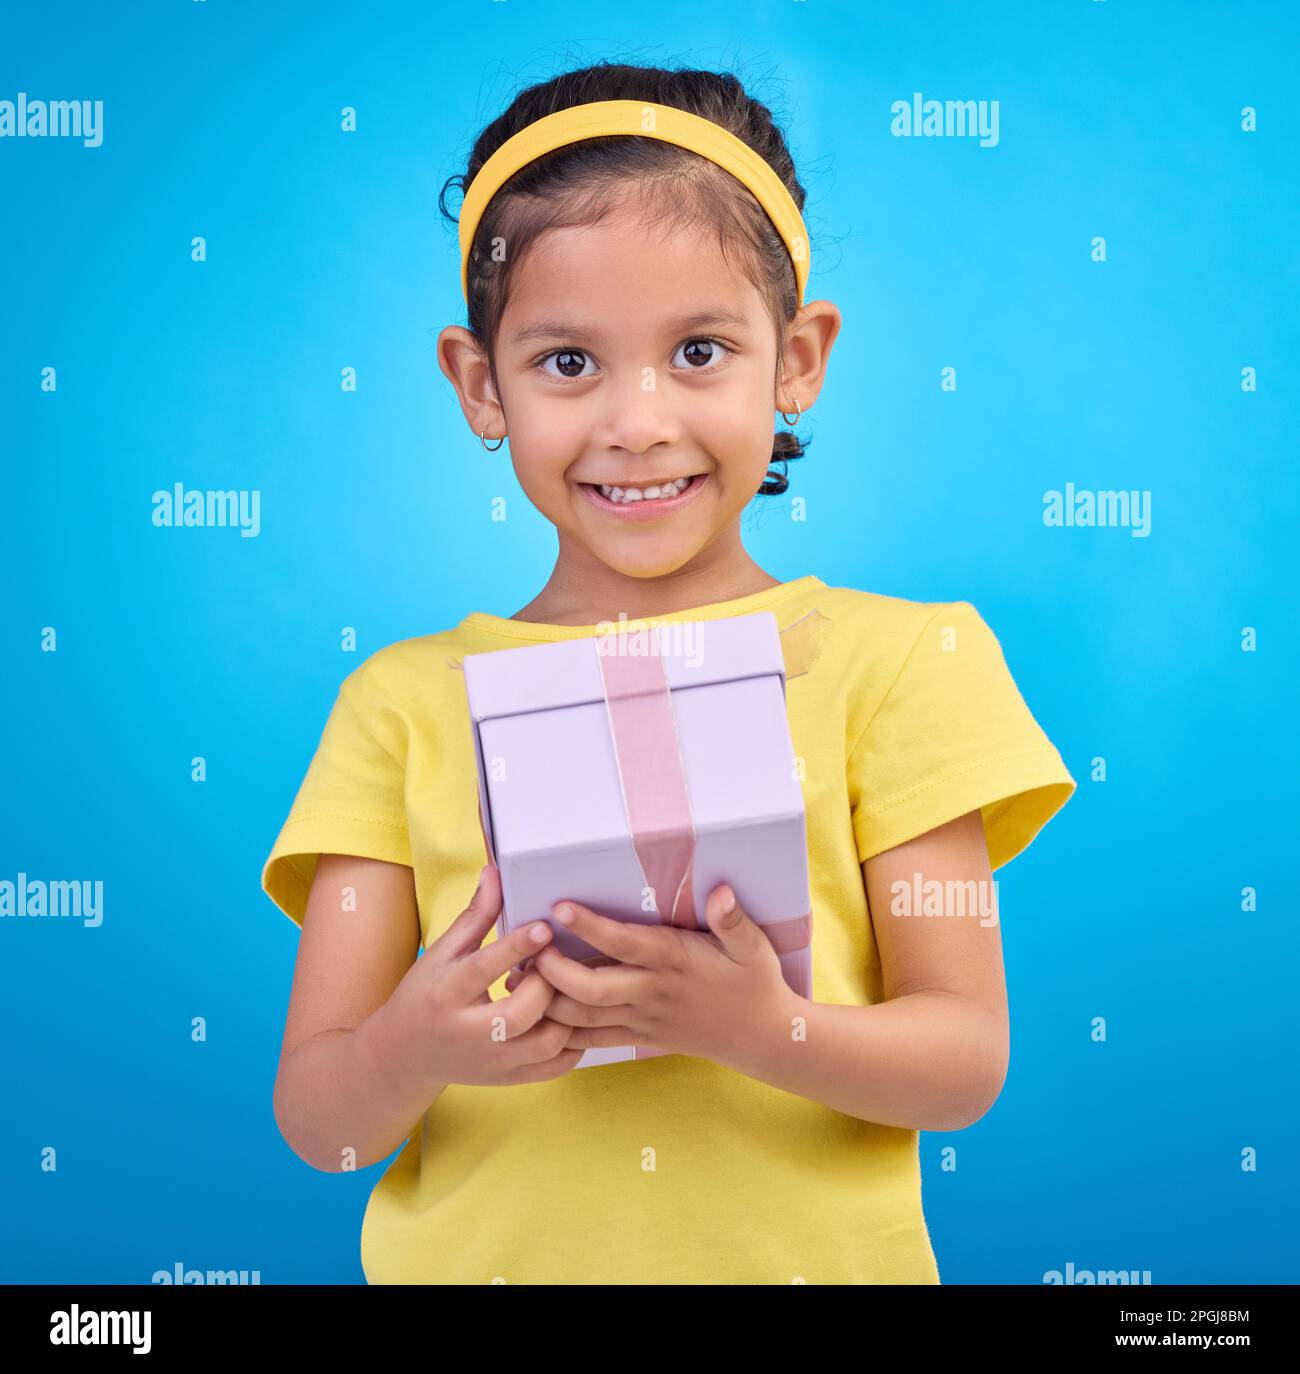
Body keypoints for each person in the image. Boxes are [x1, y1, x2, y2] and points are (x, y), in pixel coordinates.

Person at [262, 61, 1076, 1284]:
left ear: (795, 359)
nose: (637, 421)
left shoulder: (908, 662)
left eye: (698, 349)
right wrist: (408, 1048)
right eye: (568, 363)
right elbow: (322, 1124)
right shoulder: (399, 703)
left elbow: (964, 1065)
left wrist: (757, 1028)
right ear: (481, 385)